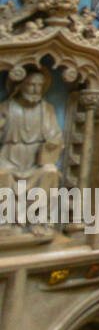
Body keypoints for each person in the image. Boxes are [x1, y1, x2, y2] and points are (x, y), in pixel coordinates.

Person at [0, 68, 64, 235]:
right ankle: (5, 221)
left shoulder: (46, 109)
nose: (36, 89)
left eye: (39, 85)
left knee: (50, 172)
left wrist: (53, 141)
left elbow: (56, 134)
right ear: (20, 85)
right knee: (2, 173)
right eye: (30, 84)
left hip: (36, 160)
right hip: (9, 157)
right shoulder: (6, 107)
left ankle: (37, 220)